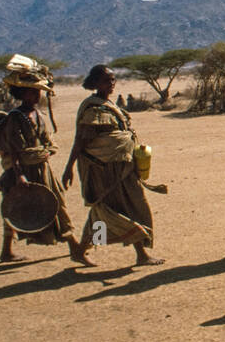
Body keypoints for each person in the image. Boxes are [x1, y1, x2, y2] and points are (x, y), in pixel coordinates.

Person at [61, 65, 164, 266]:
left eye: (113, 80)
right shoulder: (93, 109)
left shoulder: (109, 105)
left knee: (110, 210)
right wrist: (69, 168)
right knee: (120, 208)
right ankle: (141, 255)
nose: (111, 84)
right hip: (105, 170)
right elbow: (80, 141)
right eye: (106, 80)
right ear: (96, 83)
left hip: (122, 168)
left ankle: (81, 249)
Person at [0, 64, 90, 264]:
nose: (37, 95)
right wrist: (19, 174)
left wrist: (45, 152)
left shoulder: (39, 116)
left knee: (55, 202)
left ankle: (7, 251)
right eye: (32, 92)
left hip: (42, 168)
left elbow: (48, 142)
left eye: (38, 91)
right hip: (22, 171)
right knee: (19, 208)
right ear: (22, 93)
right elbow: (14, 150)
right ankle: (75, 248)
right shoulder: (15, 118)